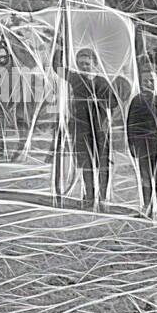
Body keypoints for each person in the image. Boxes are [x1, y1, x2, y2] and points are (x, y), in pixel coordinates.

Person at [57, 46, 118, 211]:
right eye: (81, 64)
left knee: (103, 163)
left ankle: (103, 197)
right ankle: (89, 196)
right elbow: (58, 67)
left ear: (95, 63)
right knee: (86, 163)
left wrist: (98, 102)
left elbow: (114, 103)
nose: (84, 67)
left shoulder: (102, 81)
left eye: (87, 63)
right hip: (81, 127)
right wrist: (60, 45)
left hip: (99, 129)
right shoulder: (76, 79)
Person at [126, 59, 157, 220]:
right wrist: (131, 144)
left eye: (151, 80)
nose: (148, 83)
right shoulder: (137, 101)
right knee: (145, 176)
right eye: (145, 80)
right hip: (142, 145)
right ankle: (146, 206)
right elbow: (130, 124)